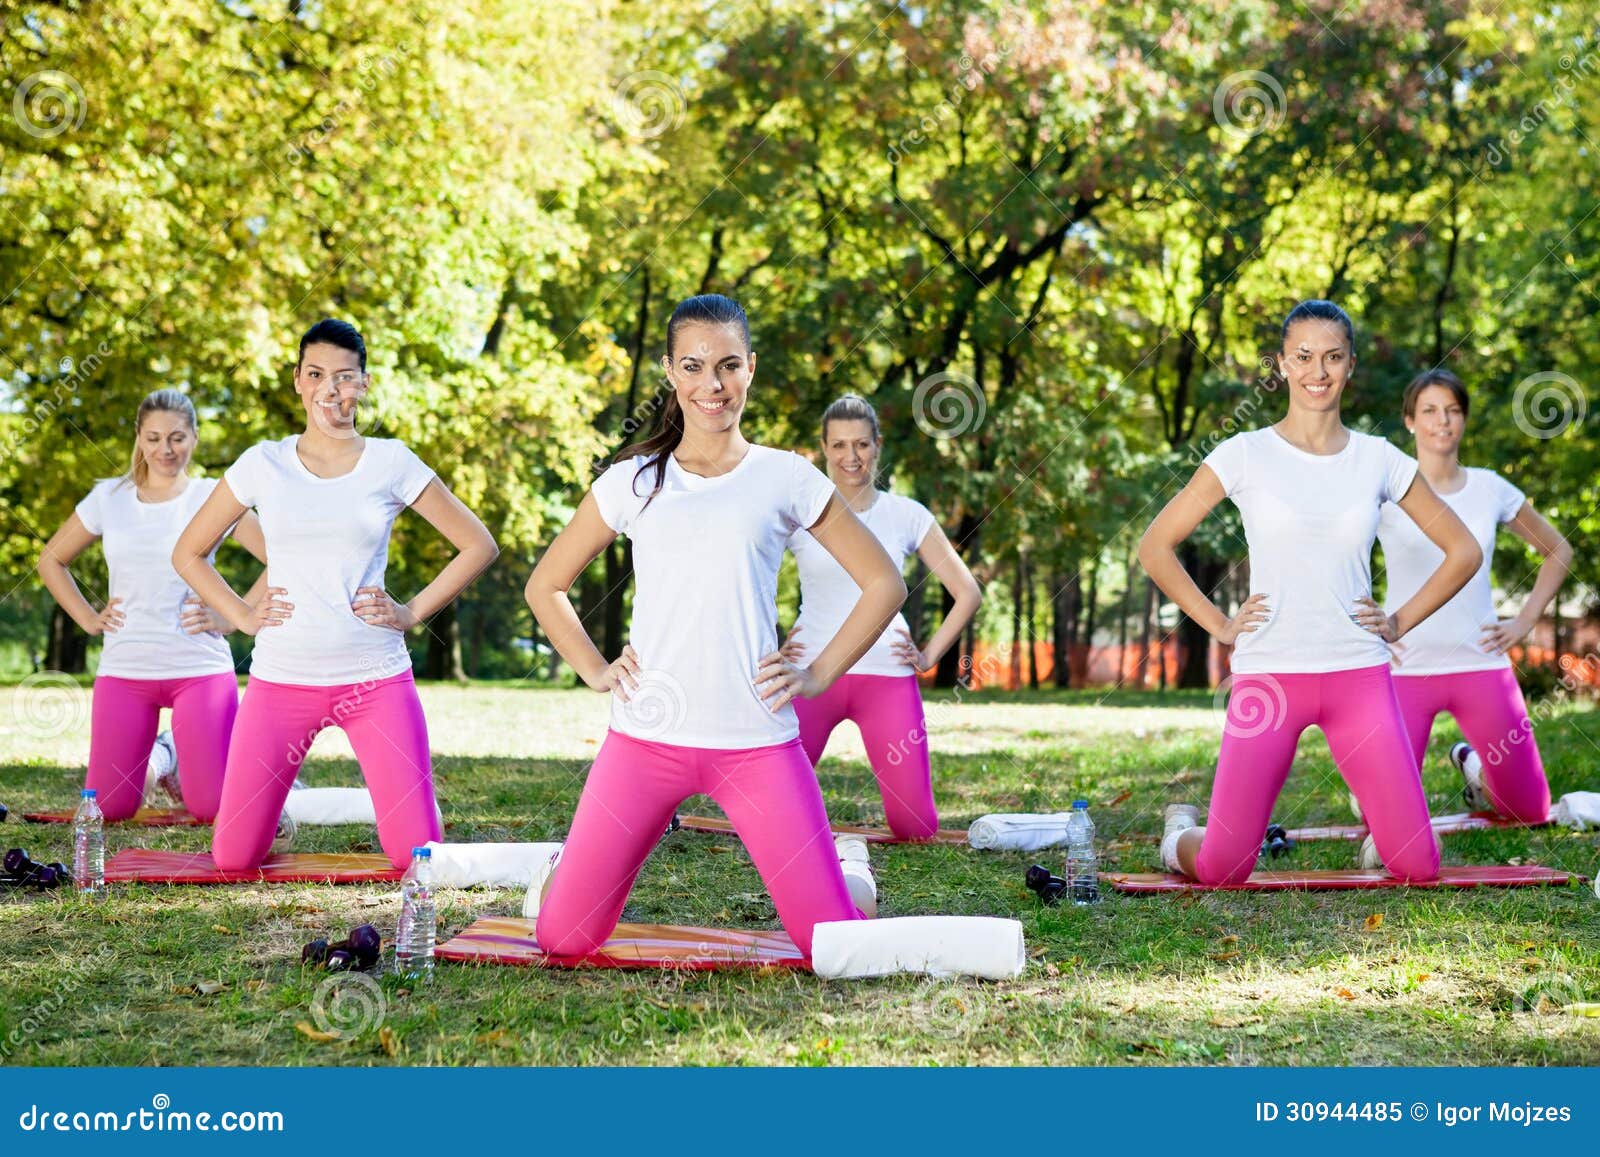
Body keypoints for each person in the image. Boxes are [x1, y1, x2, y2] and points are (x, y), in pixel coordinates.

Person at [526, 295, 906, 957]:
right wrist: (593, 666)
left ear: (750, 369)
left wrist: (817, 671)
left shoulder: (785, 476)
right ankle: (567, 869)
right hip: (644, 741)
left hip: (756, 741)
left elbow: (884, 583)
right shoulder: (634, 482)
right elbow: (546, 584)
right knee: (563, 939)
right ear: (671, 372)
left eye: (729, 365)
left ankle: (850, 874)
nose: (713, 384)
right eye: (695, 366)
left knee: (831, 945)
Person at [1138, 300, 1481, 884]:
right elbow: (1155, 546)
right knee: (1224, 866)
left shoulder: (1379, 459)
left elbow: (1464, 550)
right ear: (1281, 364)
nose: (1316, 370)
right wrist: (1220, 624)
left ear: (1350, 366)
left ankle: (1388, 831)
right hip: (1270, 675)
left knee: (1418, 866)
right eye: (1302, 356)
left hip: (1359, 675)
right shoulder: (1244, 453)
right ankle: (1179, 837)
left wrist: (1397, 622)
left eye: (1331, 357)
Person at [172, 319, 498, 869]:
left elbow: (477, 544)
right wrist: (243, 616)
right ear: (298, 380)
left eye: (344, 377)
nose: (330, 388)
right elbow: (188, 552)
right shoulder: (262, 464)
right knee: (232, 856)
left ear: (363, 385)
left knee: (415, 855)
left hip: (374, 679)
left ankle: (404, 799)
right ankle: (284, 802)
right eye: (317, 374)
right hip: (281, 680)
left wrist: (410, 611)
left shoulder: (391, 462)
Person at [37, 389, 268, 822]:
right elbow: (51, 560)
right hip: (125, 669)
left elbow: (282, 558)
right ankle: (166, 754)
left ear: (195, 438)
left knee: (212, 808)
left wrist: (235, 617)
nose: (166, 449)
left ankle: (181, 753)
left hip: (199, 669)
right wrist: (88, 618)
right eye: (154, 438)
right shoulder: (110, 497)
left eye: (177, 438)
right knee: (112, 808)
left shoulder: (209, 496)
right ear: (139, 438)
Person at [779, 393, 981, 838]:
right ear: (823, 448)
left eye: (862, 445)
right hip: (811, 672)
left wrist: (928, 656)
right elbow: (747, 573)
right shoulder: (798, 515)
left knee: (916, 827)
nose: (851, 457)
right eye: (839, 445)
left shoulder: (906, 515)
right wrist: (772, 644)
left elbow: (967, 592)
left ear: (878, 446)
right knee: (772, 814)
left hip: (886, 675)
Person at [1375, 369, 1570, 822]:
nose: (1442, 421)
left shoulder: (1489, 488)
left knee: (1529, 811)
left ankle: (1473, 766)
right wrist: (1371, 632)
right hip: (1404, 667)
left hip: (1481, 663)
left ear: (1463, 420)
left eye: (1453, 410)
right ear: (1409, 421)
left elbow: (1558, 549)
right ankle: (1376, 787)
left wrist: (1523, 622)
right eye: (1429, 411)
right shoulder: (1383, 491)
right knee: (1383, 818)